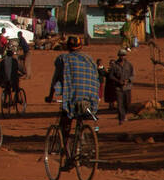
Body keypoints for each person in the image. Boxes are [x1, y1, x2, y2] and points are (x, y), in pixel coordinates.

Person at [46, 37, 100, 167]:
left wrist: (50, 96)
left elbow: (56, 79)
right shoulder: (89, 60)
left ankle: (66, 154)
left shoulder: (63, 59)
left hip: (72, 99)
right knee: (81, 119)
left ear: (67, 47)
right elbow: (96, 78)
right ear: (81, 47)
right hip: (90, 99)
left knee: (66, 123)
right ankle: (80, 144)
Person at [105, 48, 134, 124]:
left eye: (124, 55)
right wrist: (118, 81)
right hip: (118, 88)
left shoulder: (129, 65)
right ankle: (121, 118)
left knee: (127, 103)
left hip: (127, 87)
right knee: (120, 104)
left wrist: (128, 80)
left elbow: (133, 75)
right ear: (118, 56)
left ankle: (124, 114)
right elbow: (111, 76)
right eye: (121, 55)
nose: (122, 57)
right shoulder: (114, 66)